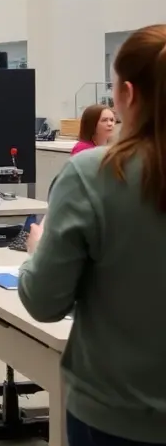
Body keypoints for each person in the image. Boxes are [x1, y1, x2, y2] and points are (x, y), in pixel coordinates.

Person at [19, 25, 166, 446]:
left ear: (128, 95)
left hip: (113, 413)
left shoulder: (94, 175)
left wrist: (37, 250)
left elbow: (44, 302)